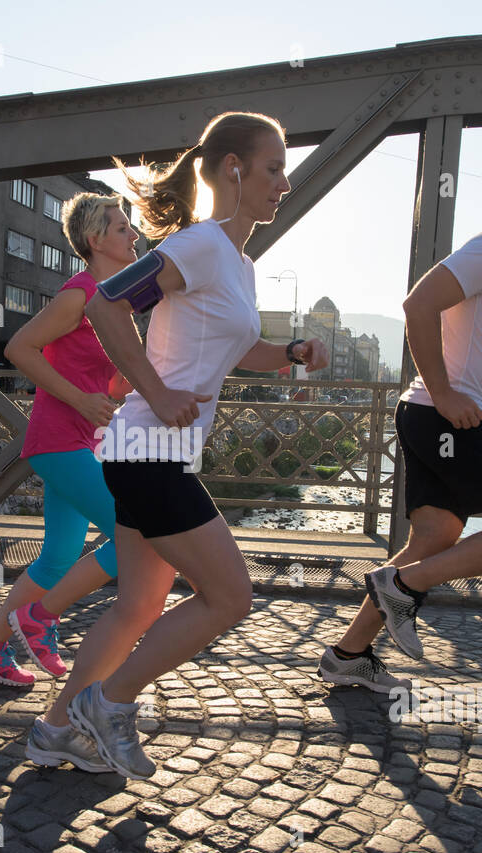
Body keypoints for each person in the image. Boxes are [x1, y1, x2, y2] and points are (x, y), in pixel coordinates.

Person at [31, 111, 328, 779]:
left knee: (138, 605)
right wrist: (158, 392)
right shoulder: (201, 245)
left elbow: (242, 348)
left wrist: (292, 353)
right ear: (233, 169)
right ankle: (110, 705)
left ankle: (55, 731)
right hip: (150, 453)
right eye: (274, 168)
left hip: (152, 454)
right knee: (231, 597)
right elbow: (108, 303)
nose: (285, 182)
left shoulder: (239, 262)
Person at [321, 141, 482, 689]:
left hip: (430, 416)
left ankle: (348, 655)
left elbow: (475, 345)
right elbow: (418, 304)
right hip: (445, 418)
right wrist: (443, 393)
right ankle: (404, 588)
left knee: (434, 537)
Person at [0, 193, 135, 710]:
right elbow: (19, 348)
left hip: (81, 439)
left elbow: (114, 382)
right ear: (95, 239)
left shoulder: (114, 298)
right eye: (123, 227)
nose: (135, 236)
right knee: (134, 534)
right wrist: (84, 398)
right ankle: (43, 620)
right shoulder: (79, 293)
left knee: (59, 554)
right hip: (58, 440)